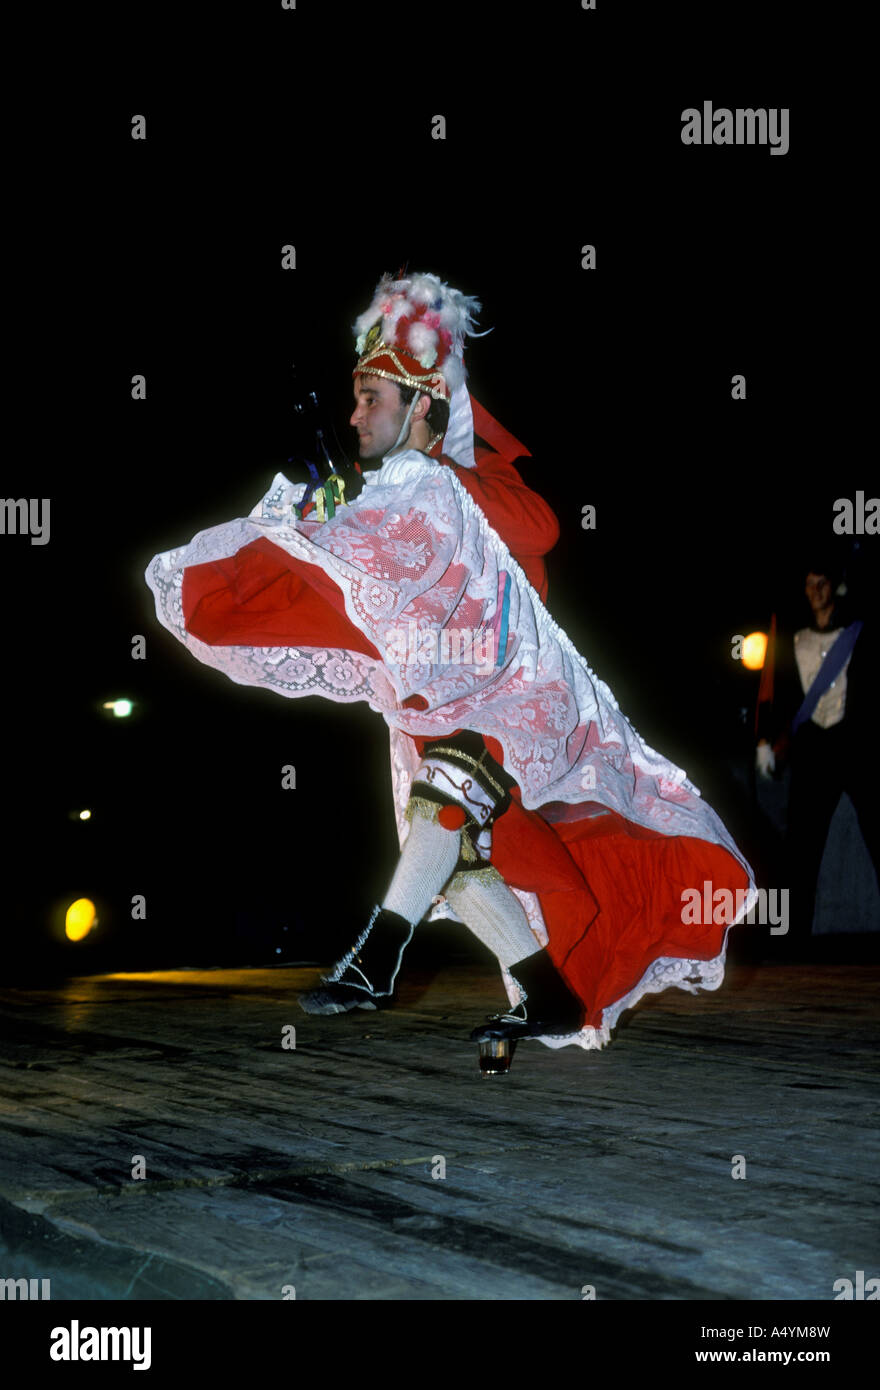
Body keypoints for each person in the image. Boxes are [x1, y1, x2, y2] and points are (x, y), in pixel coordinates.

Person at [145, 269, 756, 1055]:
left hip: (522, 695)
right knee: (459, 857)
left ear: (421, 405)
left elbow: (538, 530)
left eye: (372, 398)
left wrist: (438, 479)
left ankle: (377, 955)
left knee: (450, 789)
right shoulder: (378, 494)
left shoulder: (460, 481)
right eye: (355, 398)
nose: (356, 413)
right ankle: (548, 996)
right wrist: (309, 509)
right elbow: (329, 578)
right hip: (438, 705)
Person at [756, 560, 878, 948]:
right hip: (813, 751)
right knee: (801, 850)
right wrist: (765, 739)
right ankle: (791, 940)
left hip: (855, 746)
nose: (816, 591)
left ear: (834, 587)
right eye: (810, 585)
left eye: (822, 584)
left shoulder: (860, 633)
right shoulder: (794, 638)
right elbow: (776, 692)